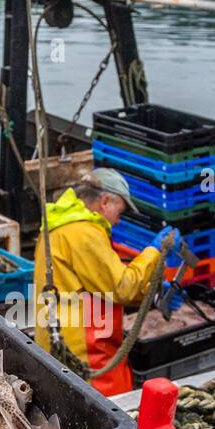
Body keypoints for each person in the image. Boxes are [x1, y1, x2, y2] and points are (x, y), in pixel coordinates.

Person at [33, 168, 179, 397]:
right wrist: (154, 250)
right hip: (85, 356)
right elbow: (122, 288)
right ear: (105, 201)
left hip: (58, 346)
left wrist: (153, 292)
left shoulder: (60, 225)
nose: (118, 221)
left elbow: (98, 283)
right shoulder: (84, 233)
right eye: (119, 211)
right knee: (111, 411)